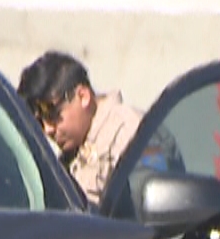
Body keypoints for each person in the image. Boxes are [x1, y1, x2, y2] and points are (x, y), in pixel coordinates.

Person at [17, 51, 142, 205]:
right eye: (40, 122)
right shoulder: (72, 151)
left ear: (83, 97)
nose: (48, 130)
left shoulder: (128, 133)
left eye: (52, 115)